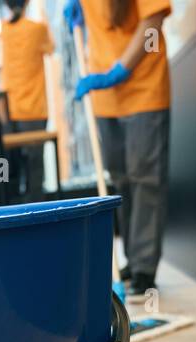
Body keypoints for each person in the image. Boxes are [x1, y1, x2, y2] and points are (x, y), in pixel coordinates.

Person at [65, 0, 171, 298]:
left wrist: (119, 70)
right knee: (121, 179)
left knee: (145, 178)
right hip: (103, 96)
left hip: (143, 88)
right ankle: (131, 260)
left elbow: (152, 23)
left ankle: (143, 269)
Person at [0, 0, 54, 202]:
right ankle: (36, 209)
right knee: (35, 166)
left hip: (9, 110)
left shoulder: (4, 31)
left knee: (5, 161)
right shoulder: (37, 29)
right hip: (34, 108)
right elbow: (51, 47)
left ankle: (5, 202)